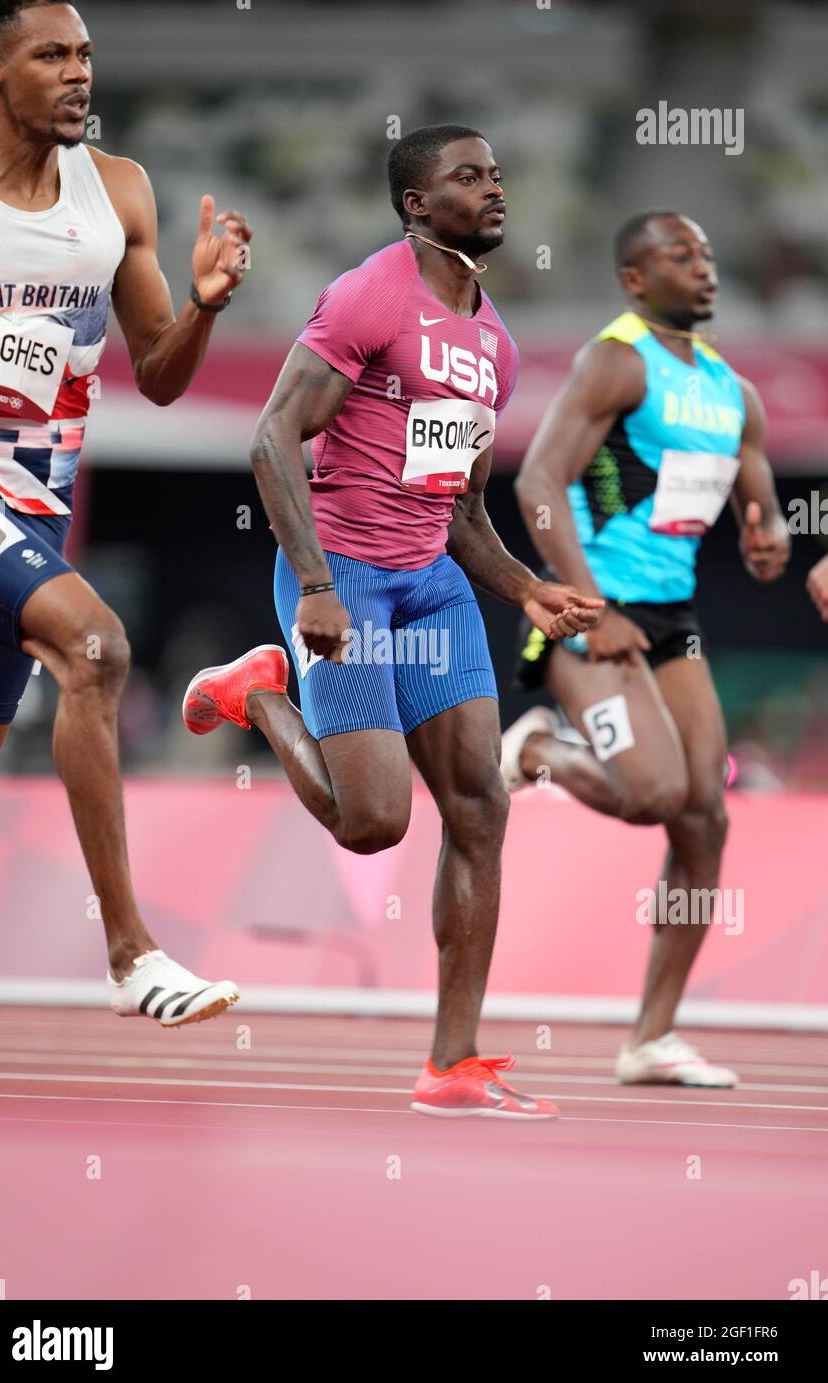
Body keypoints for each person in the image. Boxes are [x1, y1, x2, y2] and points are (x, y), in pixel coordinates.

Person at [183, 124, 602, 1116]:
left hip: (432, 586)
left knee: (480, 808)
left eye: (497, 174)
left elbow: (463, 513)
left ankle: (450, 1064)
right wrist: (315, 585)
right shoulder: (370, 295)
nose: (493, 189)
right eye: (467, 176)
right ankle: (260, 694)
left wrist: (526, 590)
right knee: (373, 823)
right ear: (416, 204)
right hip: (346, 577)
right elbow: (272, 437)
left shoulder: (496, 345)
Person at [0, 0, 251, 1025]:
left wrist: (204, 304)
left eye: (85, 54)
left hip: (33, 509)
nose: (79, 72)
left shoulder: (119, 191)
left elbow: (160, 376)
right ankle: (132, 955)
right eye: (52, 55)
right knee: (96, 648)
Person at [503, 211, 790, 1086]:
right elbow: (539, 479)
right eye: (680, 254)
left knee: (706, 818)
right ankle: (535, 749)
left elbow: (759, 500)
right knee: (654, 794)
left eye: (708, 254)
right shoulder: (616, 361)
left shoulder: (735, 392)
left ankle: (651, 1040)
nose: (704, 267)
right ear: (634, 278)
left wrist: (769, 535)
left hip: (672, 618)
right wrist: (588, 606)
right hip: (587, 608)